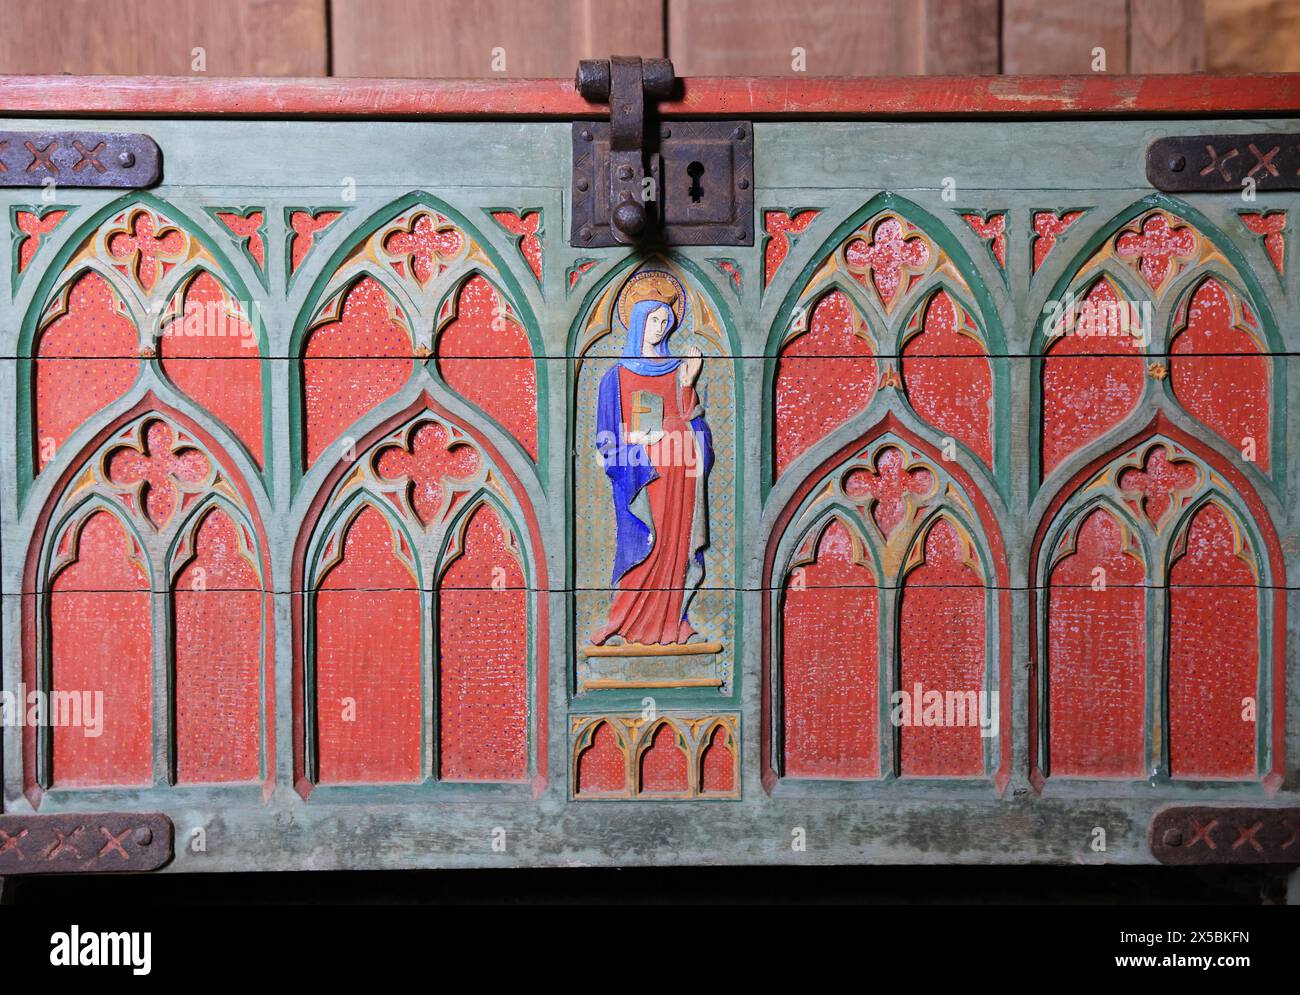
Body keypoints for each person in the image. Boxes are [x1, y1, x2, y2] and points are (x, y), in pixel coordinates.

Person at [591, 291, 713, 646]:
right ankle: (624, 620)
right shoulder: (614, 377)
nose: (659, 329)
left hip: (680, 471)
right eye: (653, 321)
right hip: (641, 474)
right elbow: (606, 440)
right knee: (646, 541)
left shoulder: (678, 371)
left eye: (665, 322)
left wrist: (688, 385)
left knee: (675, 545)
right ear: (636, 323)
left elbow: (695, 422)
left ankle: (673, 622)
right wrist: (635, 444)